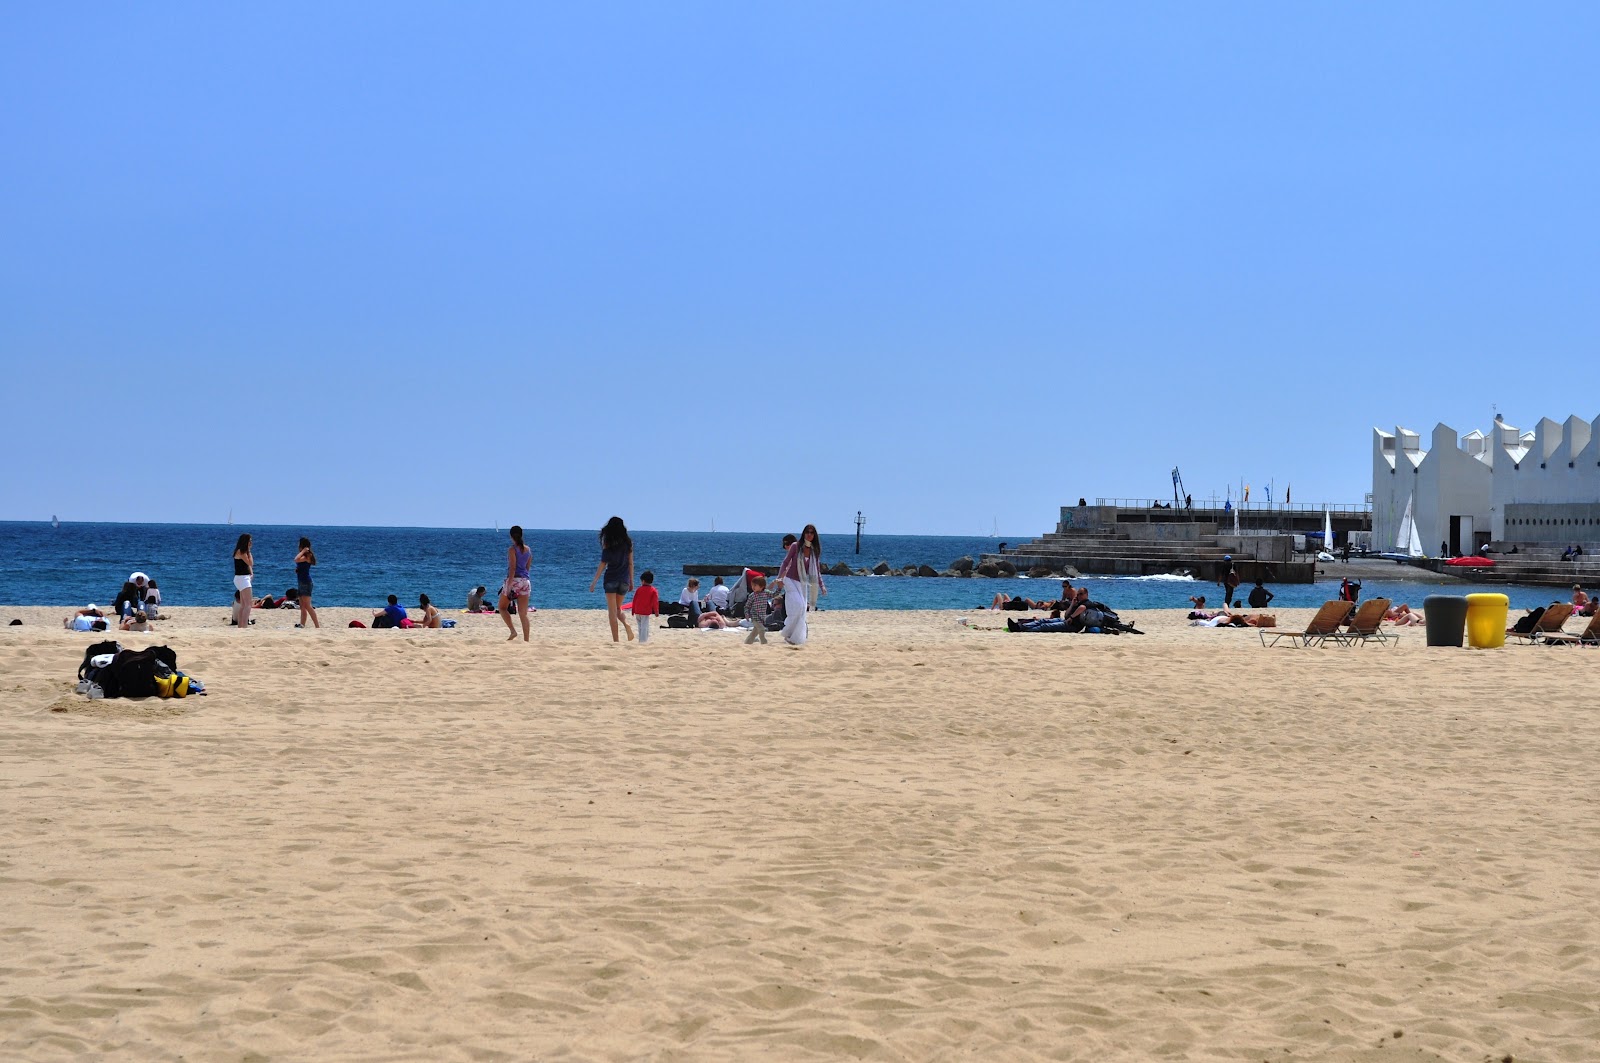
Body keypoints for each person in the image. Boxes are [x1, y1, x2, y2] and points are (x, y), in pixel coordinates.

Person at [588, 516, 635, 643]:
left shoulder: (608, 543)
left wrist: (594, 582)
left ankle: (616, 640)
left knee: (612, 612)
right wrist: (631, 581)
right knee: (618, 609)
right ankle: (626, 625)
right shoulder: (628, 543)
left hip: (611, 580)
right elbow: (631, 563)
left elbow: (603, 563)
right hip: (624, 580)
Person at [778, 525, 824, 646]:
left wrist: (821, 585)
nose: (809, 534)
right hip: (790, 580)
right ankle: (787, 632)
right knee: (799, 606)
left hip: (802, 583)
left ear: (814, 535)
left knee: (802, 610)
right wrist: (779, 578)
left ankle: (794, 638)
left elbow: (817, 570)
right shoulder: (795, 546)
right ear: (804, 533)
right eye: (807, 532)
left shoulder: (815, 551)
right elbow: (785, 562)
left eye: (812, 533)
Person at [498, 526, 533, 642]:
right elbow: (527, 568)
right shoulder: (528, 550)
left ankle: (513, 630)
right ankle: (526, 640)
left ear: (511, 536)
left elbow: (512, 568)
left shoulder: (512, 549)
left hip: (515, 580)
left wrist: (509, 585)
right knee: (523, 613)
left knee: (502, 607)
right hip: (526, 581)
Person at [294, 537, 320, 629]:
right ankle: (302, 624)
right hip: (301, 581)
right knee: (302, 606)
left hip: (306, 582)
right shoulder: (303, 556)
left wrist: (304, 550)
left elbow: (296, 559)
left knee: (308, 605)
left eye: (299, 546)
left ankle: (317, 626)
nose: (298, 547)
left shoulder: (307, 556)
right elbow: (300, 564)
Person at [630, 571, 659, 643]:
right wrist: (656, 612)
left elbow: (634, 600)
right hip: (645, 611)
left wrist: (633, 610)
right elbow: (655, 602)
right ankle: (643, 641)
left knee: (640, 626)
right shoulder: (653, 590)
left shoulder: (639, 589)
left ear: (643, 581)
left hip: (637, 610)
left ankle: (641, 639)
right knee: (644, 626)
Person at [233, 533, 254, 630]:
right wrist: (249, 551)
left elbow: (248, 566)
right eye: (249, 541)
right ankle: (244, 626)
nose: (251, 542)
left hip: (241, 578)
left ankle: (240, 626)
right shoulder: (242, 552)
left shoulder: (240, 551)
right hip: (242, 579)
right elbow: (250, 563)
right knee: (248, 604)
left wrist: (251, 573)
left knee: (243, 605)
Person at [744, 575, 774, 644]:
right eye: (752, 585)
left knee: (755, 632)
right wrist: (747, 614)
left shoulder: (766, 593)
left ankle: (748, 642)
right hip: (755, 616)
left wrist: (779, 588)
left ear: (761, 586)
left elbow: (774, 595)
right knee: (762, 629)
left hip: (762, 617)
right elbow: (747, 606)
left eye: (755, 585)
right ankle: (764, 642)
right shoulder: (752, 595)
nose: (753, 587)